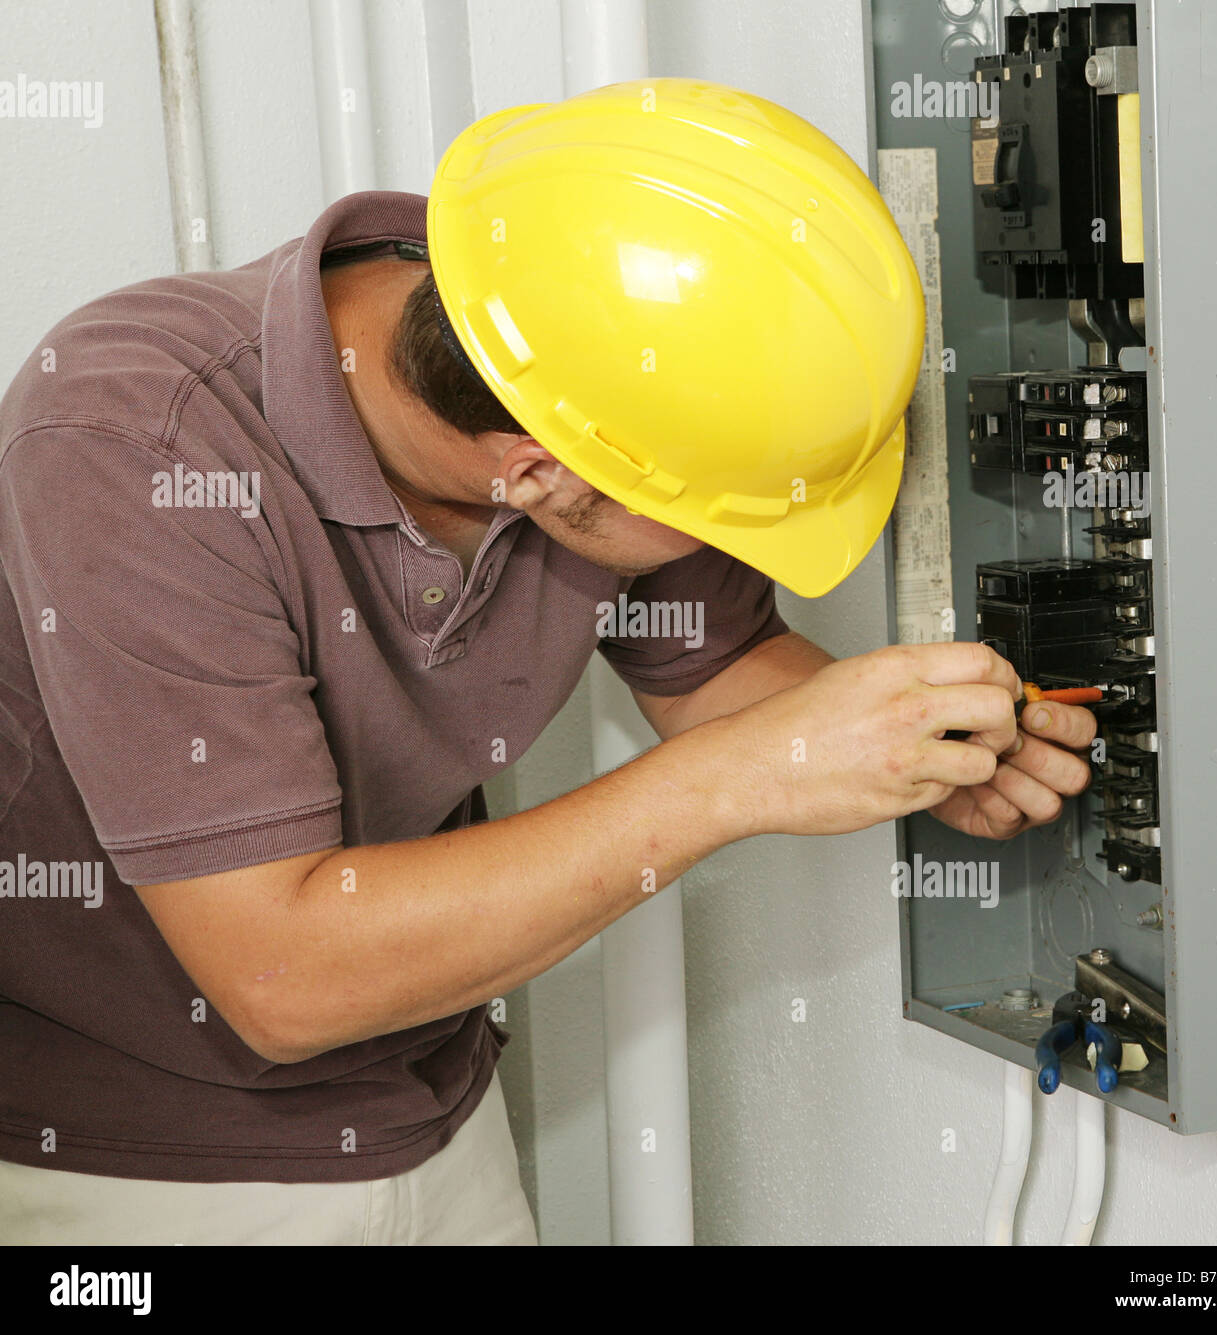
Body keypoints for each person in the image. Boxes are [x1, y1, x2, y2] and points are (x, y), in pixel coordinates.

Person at [0, 79, 1093, 1245]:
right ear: (535, 474)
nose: (722, 547)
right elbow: (284, 978)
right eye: (707, 517)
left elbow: (714, 675)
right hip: (144, 1180)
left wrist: (928, 746)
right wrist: (738, 779)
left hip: (437, 1110)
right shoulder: (131, 446)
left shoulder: (590, 329)